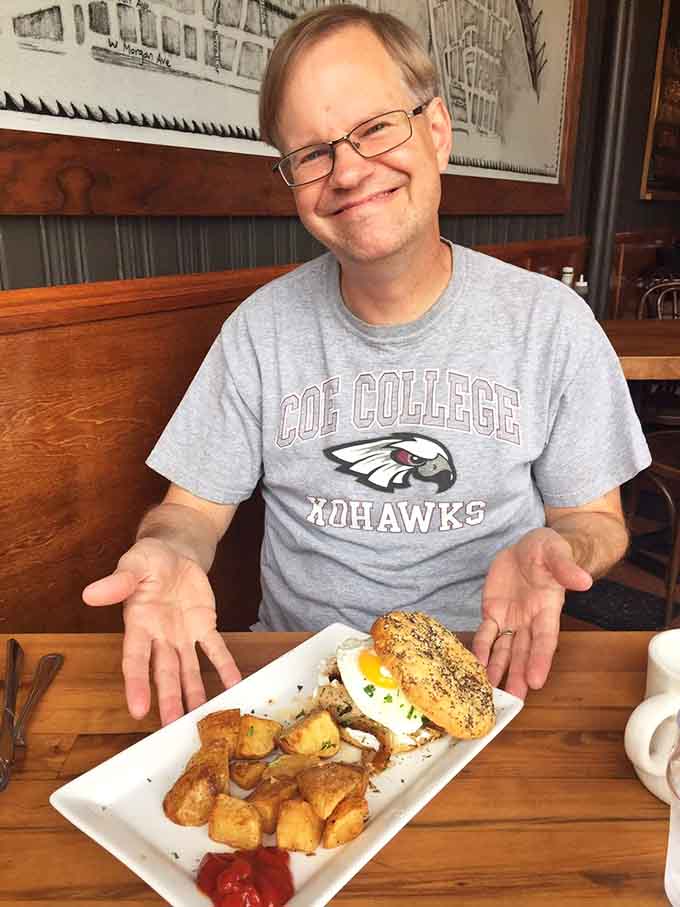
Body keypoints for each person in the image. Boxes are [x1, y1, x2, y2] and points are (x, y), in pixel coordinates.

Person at [83, 5, 650, 726]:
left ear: (436, 131)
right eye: (313, 153)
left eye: (376, 127)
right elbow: (190, 511)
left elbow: (597, 523)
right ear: (292, 181)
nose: (348, 170)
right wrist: (164, 548)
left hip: (485, 680)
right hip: (301, 689)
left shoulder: (550, 322)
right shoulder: (259, 331)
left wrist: (564, 543)